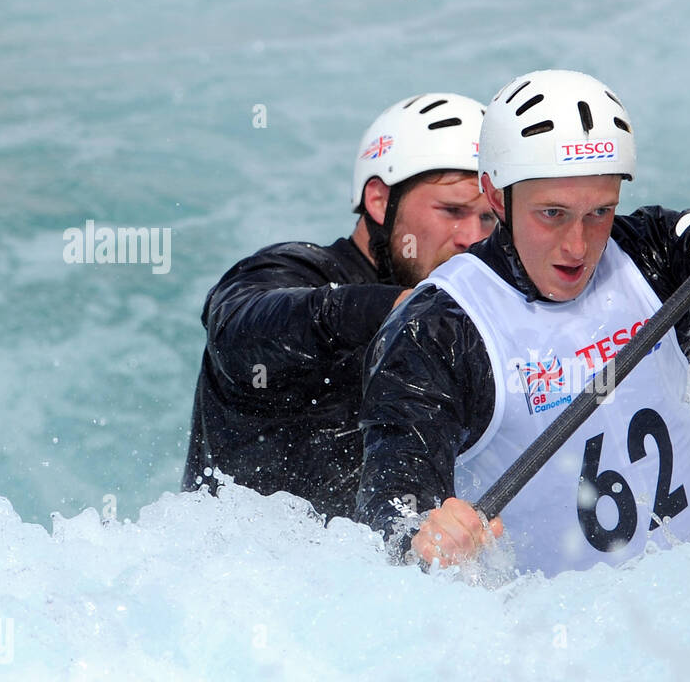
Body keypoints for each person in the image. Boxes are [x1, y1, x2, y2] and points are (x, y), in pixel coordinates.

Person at [356, 70, 690, 573]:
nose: (577, 247)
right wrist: (422, 535)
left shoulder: (653, 252)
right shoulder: (436, 332)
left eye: (599, 212)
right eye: (552, 214)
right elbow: (392, 516)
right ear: (496, 195)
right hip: (572, 631)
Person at [183, 92, 496, 519]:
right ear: (380, 202)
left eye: (488, 219)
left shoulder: (469, 314)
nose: (471, 238)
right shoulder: (295, 270)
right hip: (244, 573)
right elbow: (234, 332)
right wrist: (401, 308)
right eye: (452, 210)